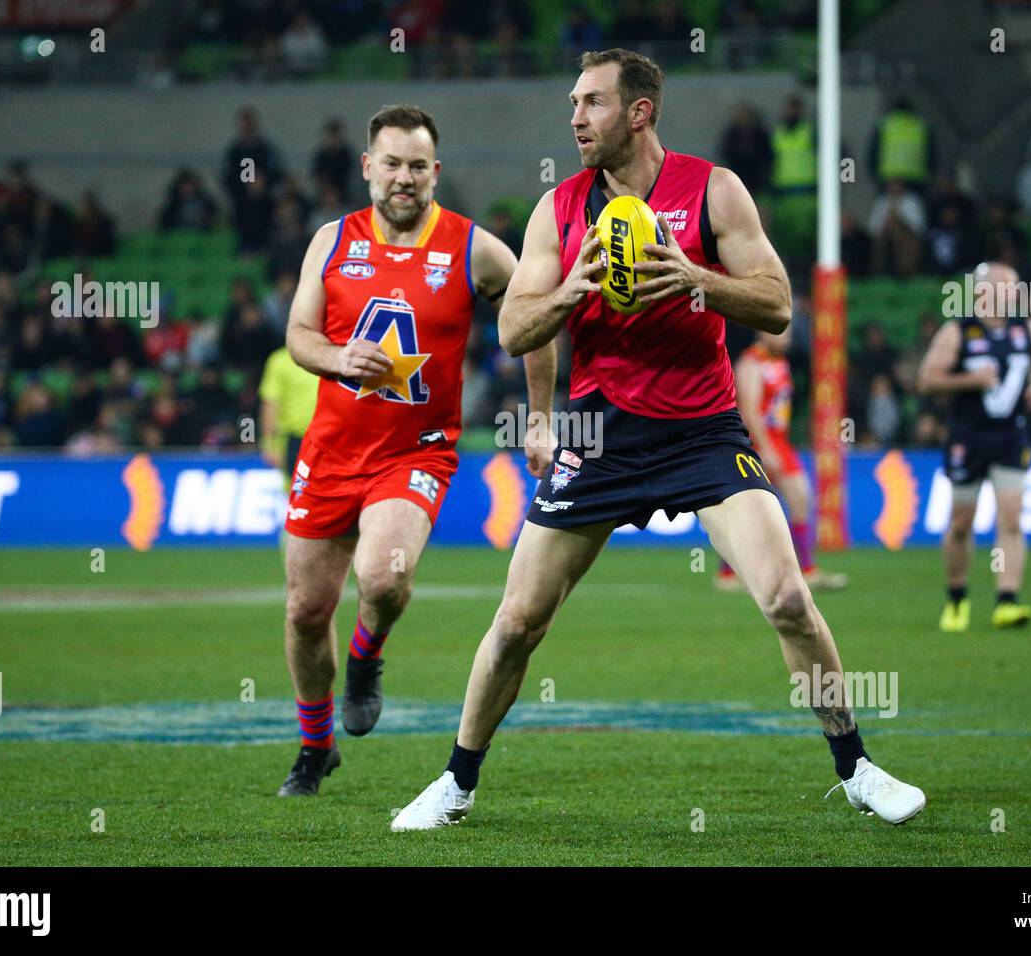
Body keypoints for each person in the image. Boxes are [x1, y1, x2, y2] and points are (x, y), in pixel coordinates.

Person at [391, 49, 924, 831]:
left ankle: (858, 768)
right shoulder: (559, 209)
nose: (575, 117)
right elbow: (511, 329)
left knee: (786, 597)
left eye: (593, 103)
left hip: (702, 432)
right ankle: (456, 783)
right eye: (573, 102)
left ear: (639, 113)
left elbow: (778, 305)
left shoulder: (713, 191)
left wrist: (696, 280)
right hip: (598, 436)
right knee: (516, 622)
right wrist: (574, 286)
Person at [277, 104, 550, 797]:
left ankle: (366, 657)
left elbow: (536, 318)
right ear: (368, 168)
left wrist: (542, 418)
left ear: (436, 172)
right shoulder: (332, 241)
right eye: (391, 164)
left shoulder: (474, 249)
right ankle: (316, 747)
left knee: (384, 578)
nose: (404, 178)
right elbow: (299, 335)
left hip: (415, 455)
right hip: (331, 452)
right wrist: (340, 358)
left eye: (418, 166)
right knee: (306, 612)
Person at [917, 262, 1031, 632]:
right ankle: (957, 597)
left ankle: (1007, 601)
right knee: (961, 522)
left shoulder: (1027, 329)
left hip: (1012, 436)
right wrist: (970, 379)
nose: (1015, 294)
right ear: (982, 292)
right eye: (1007, 287)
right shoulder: (958, 332)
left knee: (1011, 517)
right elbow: (927, 379)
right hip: (968, 438)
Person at [717, 324, 848, 592]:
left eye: (788, 333)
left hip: (780, 440)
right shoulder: (751, 364)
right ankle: (728, 574)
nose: (786, 339)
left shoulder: (780, 363)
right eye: (781, 333)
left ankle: (807, 569)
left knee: (800, 498)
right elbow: (750, 411)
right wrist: (765, 449)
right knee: (752, 508)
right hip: (758, 442)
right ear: (762, 331)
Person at [258, 345, 318, 491]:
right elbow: (271, 403)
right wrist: (268, 443)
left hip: (329, 438)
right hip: (295, 439)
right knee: (297, 495)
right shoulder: (280, 360)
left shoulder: (330, 355)